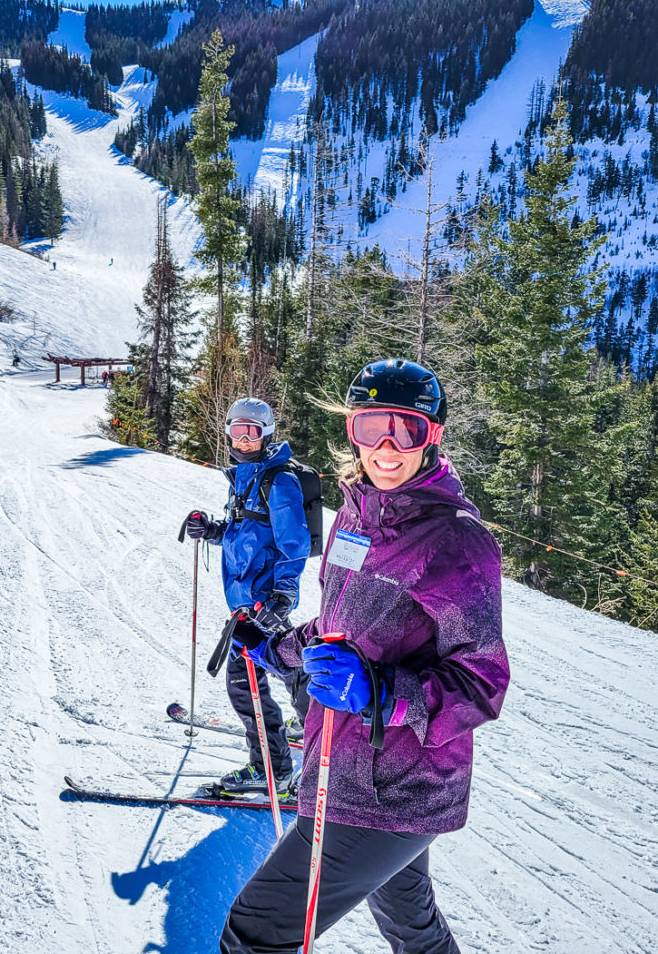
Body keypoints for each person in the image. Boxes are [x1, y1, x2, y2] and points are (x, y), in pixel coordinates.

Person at [219, 358, 510, 954]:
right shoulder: (357, 515)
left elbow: (482, 683)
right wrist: (272, 648)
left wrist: (381, 691)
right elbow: (337, 628)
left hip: (394, 786)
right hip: (347, 762)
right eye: (370, 425)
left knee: (255, 934)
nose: (386, 446)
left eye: (405, 429)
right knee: (412, 927)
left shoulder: (454, 538)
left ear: (433, 436)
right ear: (351, 428)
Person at [184, 397, 312, 795]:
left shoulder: (279, 481)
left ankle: (272, 769)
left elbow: (296, 544)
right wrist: (213, 530)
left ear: (266, 434)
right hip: (247, 596)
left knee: (246, 682)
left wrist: (283, 593)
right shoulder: (247, 476)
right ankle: (315, 729)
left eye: (251, 432)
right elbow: (247, 531)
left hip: (262, 600)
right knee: (290, 667)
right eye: (236, 431)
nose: (243, 439)